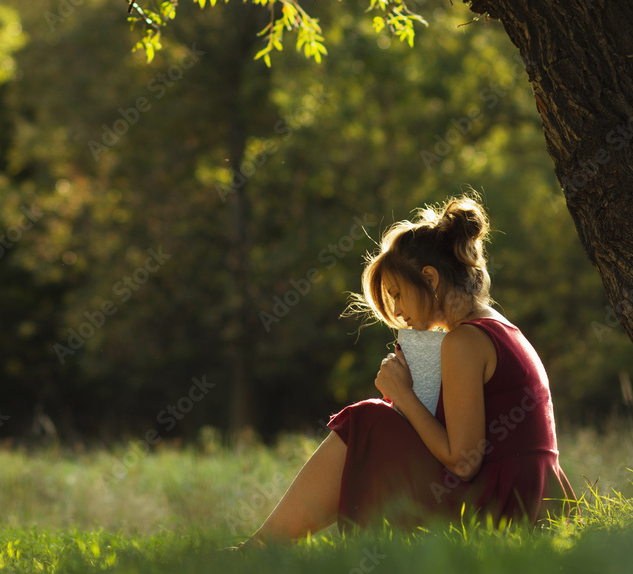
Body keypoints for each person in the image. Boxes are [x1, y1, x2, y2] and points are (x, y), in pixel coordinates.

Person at [240, 192, 576, 547]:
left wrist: (403, 395)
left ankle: (258, 548)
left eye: (397, 294)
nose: (397, 311)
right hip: (521, 499)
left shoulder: (464, 341)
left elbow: (463, 463)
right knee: (375, 422)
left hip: (499, 509)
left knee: (364, 419)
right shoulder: (500, 328)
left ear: (430, 279)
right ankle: (263, 547)